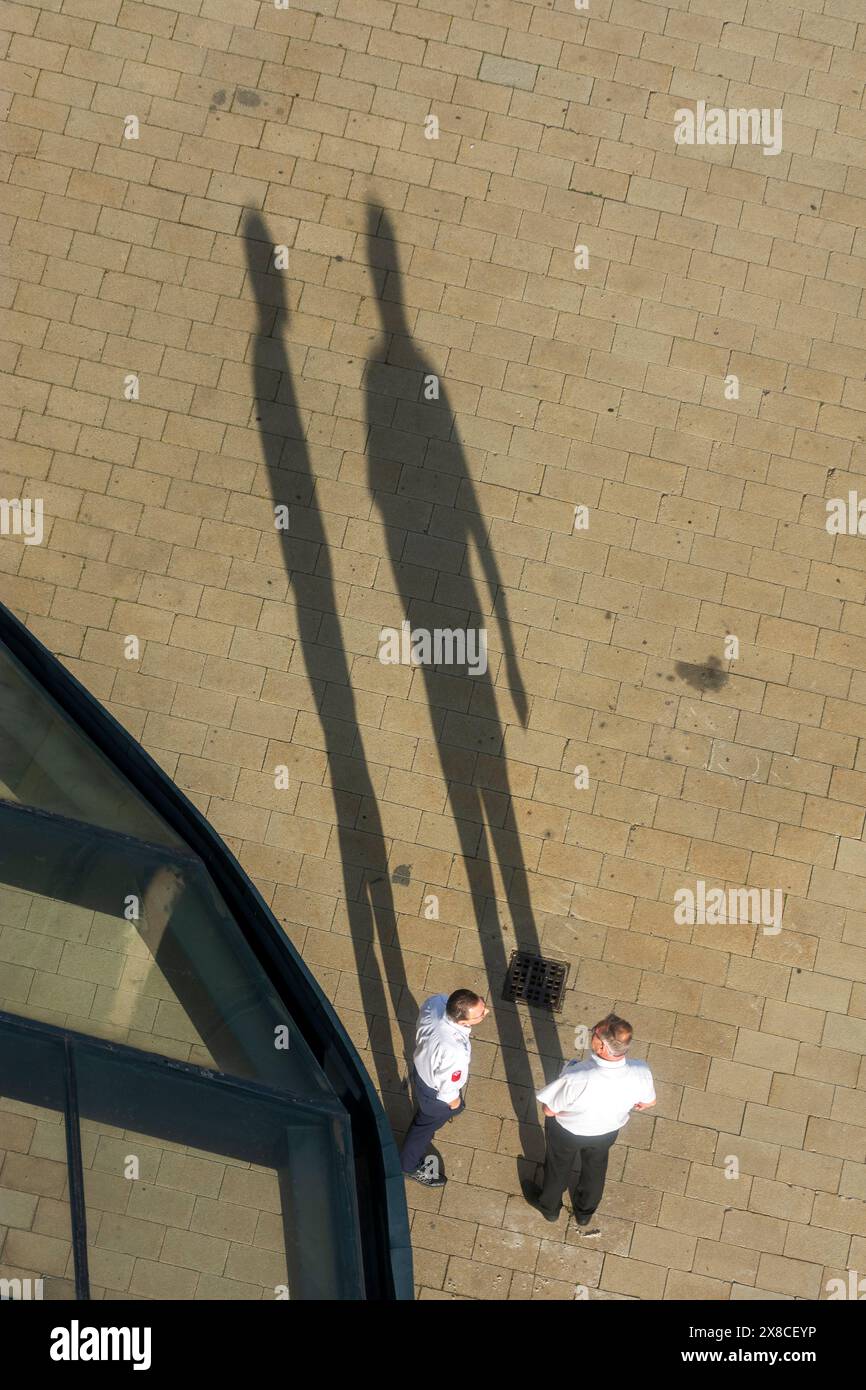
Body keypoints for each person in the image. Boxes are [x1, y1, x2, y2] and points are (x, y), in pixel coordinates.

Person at [523, 1013, 656, 1228]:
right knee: (596, 1167)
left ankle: (550, 1208)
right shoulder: (641, 1071)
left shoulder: (577, 1076)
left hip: (567, 1132)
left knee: (558, 1167)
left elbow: (549, 1110)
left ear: (602, 1046)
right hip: (606, 1132)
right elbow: (649, 1102)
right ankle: (584, 1213)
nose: (590, 1035)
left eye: (594, 1033)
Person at [400, 989, 489, 1186]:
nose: (486, 1012)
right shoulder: (455, 1051)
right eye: (481, 1014)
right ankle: (408, 1165)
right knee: (423, 1128)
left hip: (421, 1068)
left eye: (483, 1004)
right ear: (463, 1022)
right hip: (435, 1093)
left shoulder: (437, 1002)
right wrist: (455, 1104)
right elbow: (448, 1088)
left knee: (426, 1119)